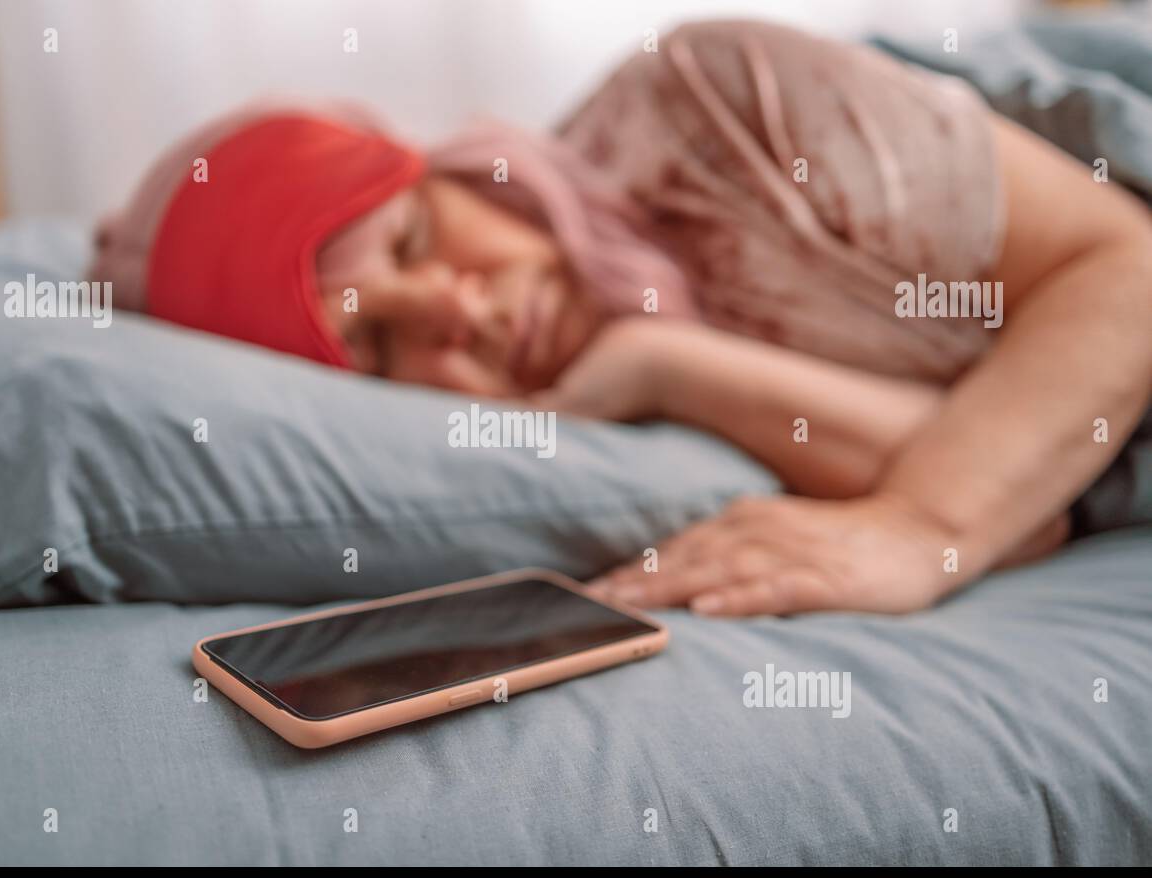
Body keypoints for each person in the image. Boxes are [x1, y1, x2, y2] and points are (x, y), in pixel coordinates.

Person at [90, 20, 1152, 618]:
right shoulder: (591, 407)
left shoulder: (720, 102)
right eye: (372, 345)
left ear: (450, 168)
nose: (455, 311)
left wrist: (922, 523)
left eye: (411, 240)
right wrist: (661, 365)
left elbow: (1126, 266)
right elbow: (1028, 483)